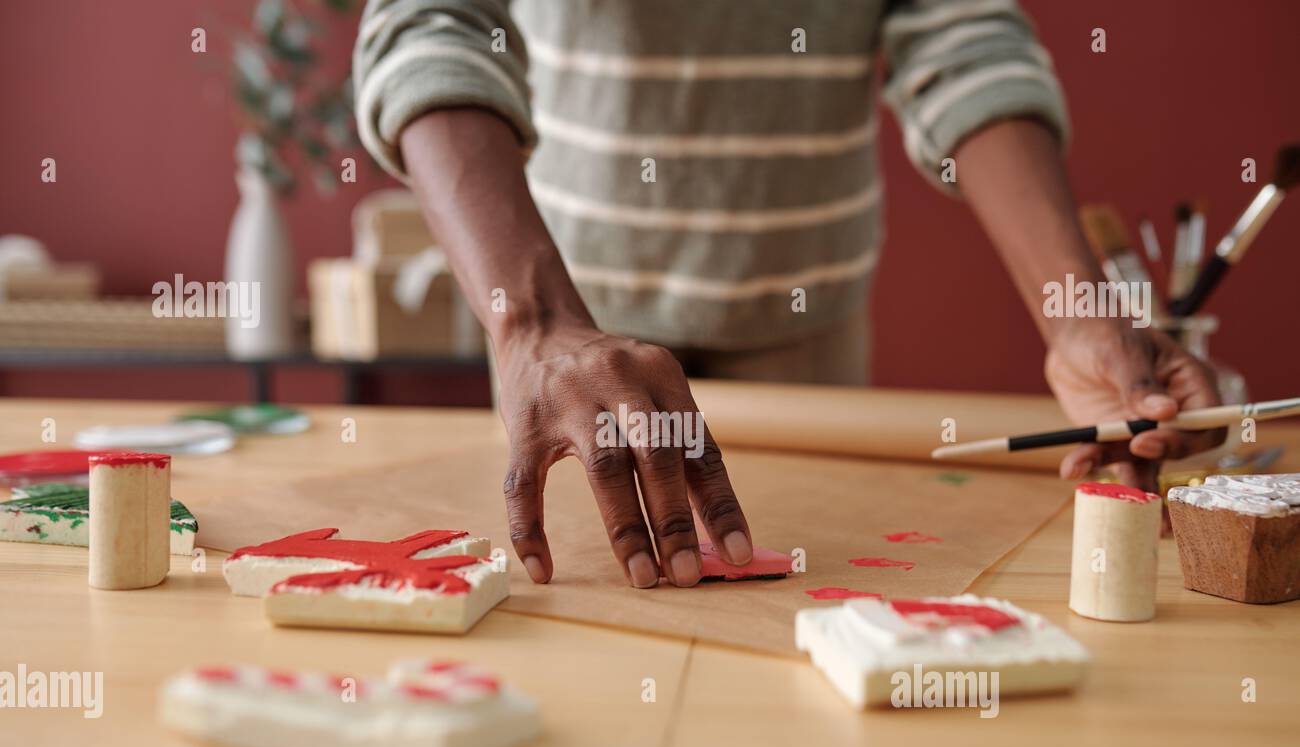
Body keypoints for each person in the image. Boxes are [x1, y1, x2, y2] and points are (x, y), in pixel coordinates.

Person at [353, 0, 1221, 589]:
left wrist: (1079, 318)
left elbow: (964, 37)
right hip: (567, 334)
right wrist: (533, 324)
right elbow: (428, 21)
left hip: (809, 329)